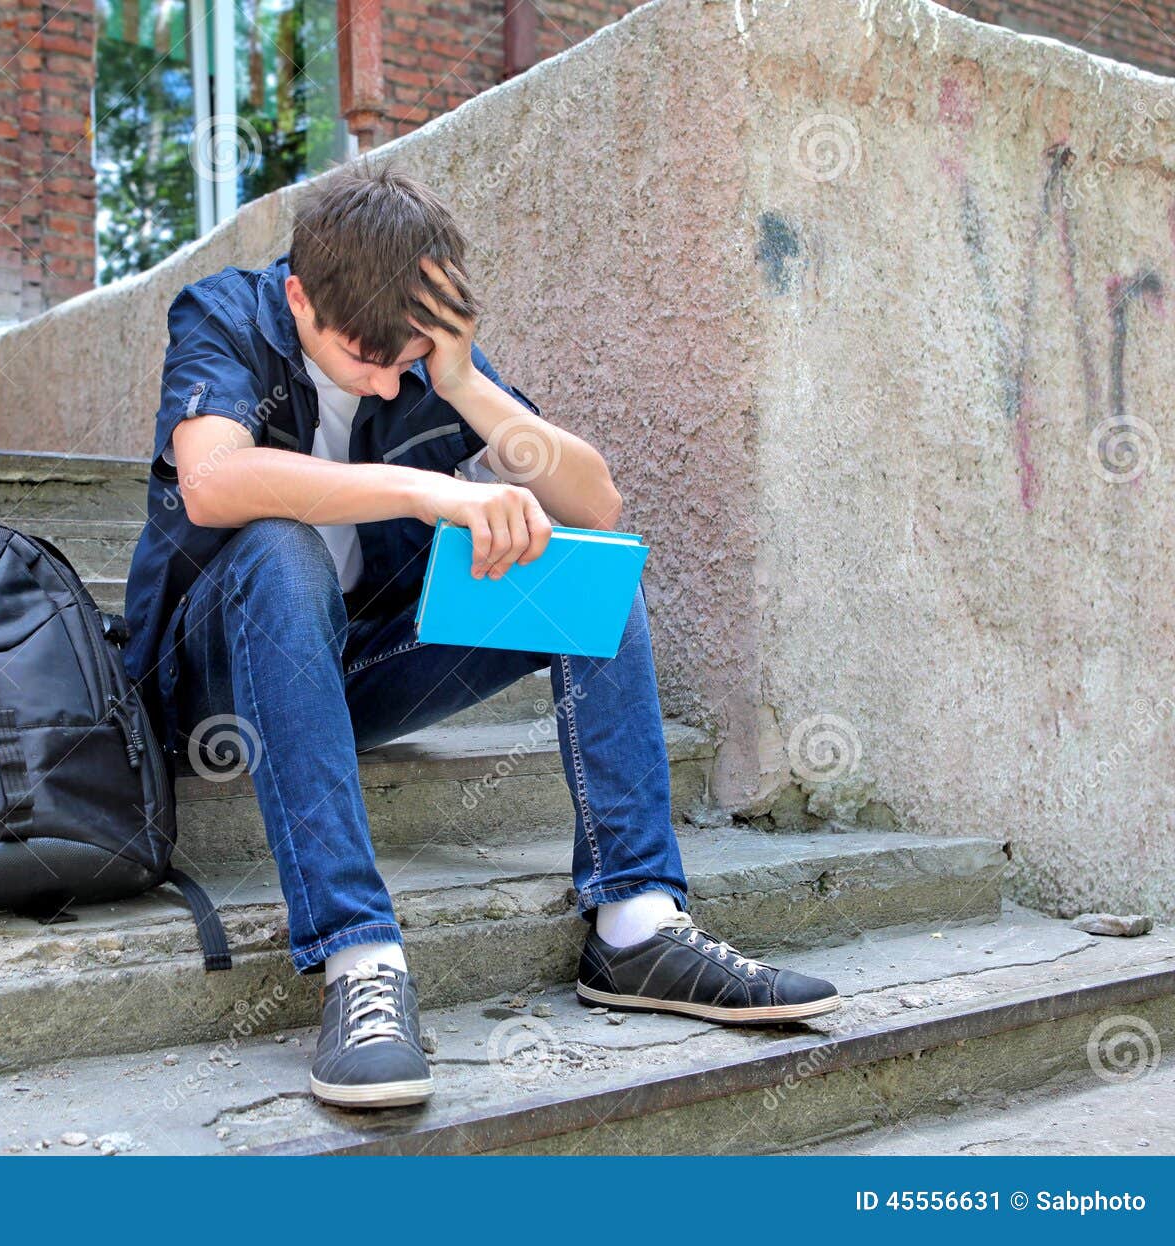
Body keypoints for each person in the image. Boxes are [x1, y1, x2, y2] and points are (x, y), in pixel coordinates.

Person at [123, 158, 840, 1110]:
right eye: (362, 359)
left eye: (407, 361)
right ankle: (359, 960)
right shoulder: (224, 316)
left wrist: (460, 380)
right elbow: (213, 481)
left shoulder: (426, 358)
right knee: (279, 547)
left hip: (350, 674)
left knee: (585, 576)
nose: (386, 385)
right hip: (208, 687)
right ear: (298, 297)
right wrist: (432, 489)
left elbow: (596, 498)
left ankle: (635, 924)